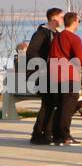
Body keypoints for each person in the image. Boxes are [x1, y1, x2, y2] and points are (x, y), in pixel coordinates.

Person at [47, 12, 82, 146]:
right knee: (67, 107)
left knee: (59, 106)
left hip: (55, 75)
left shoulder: (57, 37)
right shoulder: (74, 38)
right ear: (74, 22)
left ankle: (57, 135)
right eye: (78, 21)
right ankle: (65, 135)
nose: (78, 23)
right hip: (69, 76)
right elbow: (80, 60)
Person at [27, 8, 63, 146]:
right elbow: (31, 52)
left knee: (50, 103)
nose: (63, 20)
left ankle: (44, 133)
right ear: (54, 19)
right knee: (49, 103)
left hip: (51, 74)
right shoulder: (41, 33)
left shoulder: (56, 34)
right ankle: (39, 134)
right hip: (41, 75)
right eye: (61, 17)